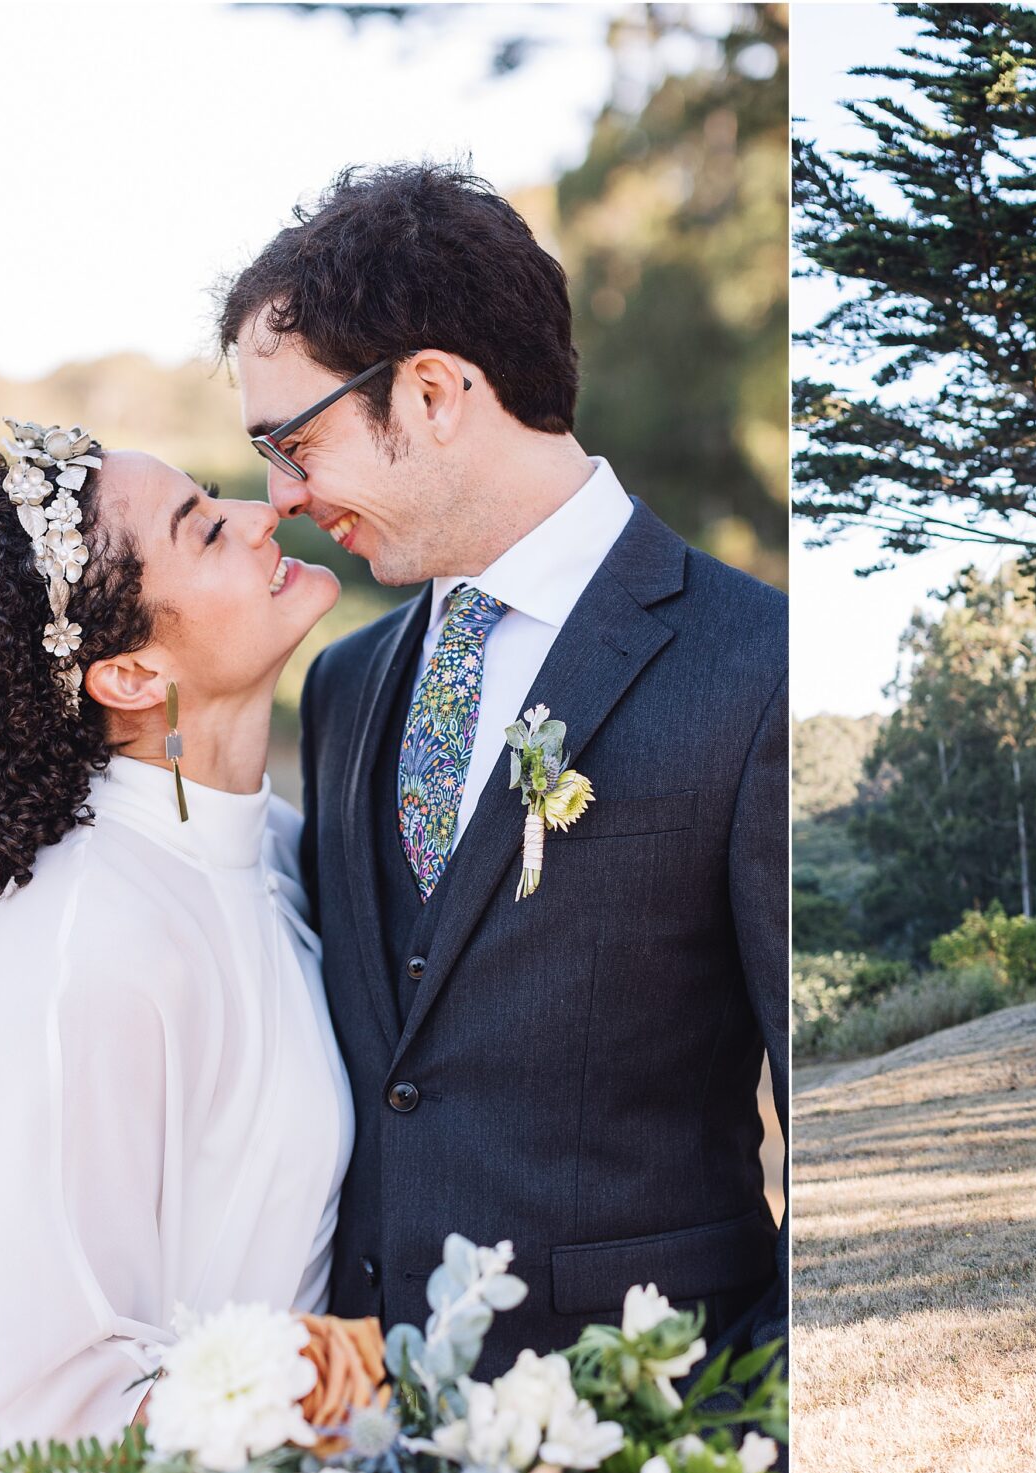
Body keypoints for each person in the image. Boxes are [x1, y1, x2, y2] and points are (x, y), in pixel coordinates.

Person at [215, 162, 788, 1374]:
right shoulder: (344, 685)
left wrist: (746, 1446)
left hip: (658, 1442)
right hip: (373, 1448)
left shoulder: (755, 668)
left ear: (430, 391)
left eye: (295, 441)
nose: (282, 498)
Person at [0, 428, 351, 1473]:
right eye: (203, 527)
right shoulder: (93, 942)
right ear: (131, 673)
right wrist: (361, 1390)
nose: (261, 510)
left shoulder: (270, 847)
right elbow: (49, 1397)